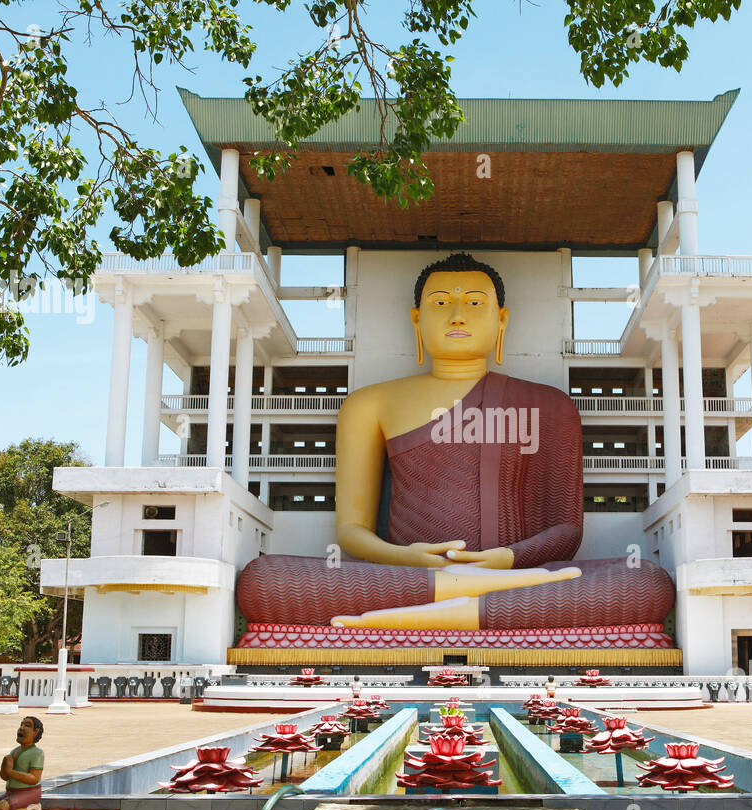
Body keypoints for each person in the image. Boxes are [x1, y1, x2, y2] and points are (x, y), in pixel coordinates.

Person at [237, 253, 675, 631]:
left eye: (475, 303)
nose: (458, 315)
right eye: (441, 303)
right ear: (417, 318)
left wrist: (506, 559)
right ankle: (476, 604)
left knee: (645, 583)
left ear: (501, 318)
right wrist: (410, 560)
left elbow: (566, 531)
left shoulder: (550, 405)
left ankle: (432, 610)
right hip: (410, 578)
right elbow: (351, 531)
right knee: (263, 580)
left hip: (519, 573)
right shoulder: (369, 404)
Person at [0, 716, 45, 810]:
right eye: (21, 725)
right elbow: (5, 777)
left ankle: (34, 808)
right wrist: (4, 766)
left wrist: (10, 771)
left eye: (27, 726)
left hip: (28, 793)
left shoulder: (37, 753)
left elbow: (34, 779)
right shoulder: (14, 751)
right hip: (11, 792)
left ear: (35, 732)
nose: (22, 728)